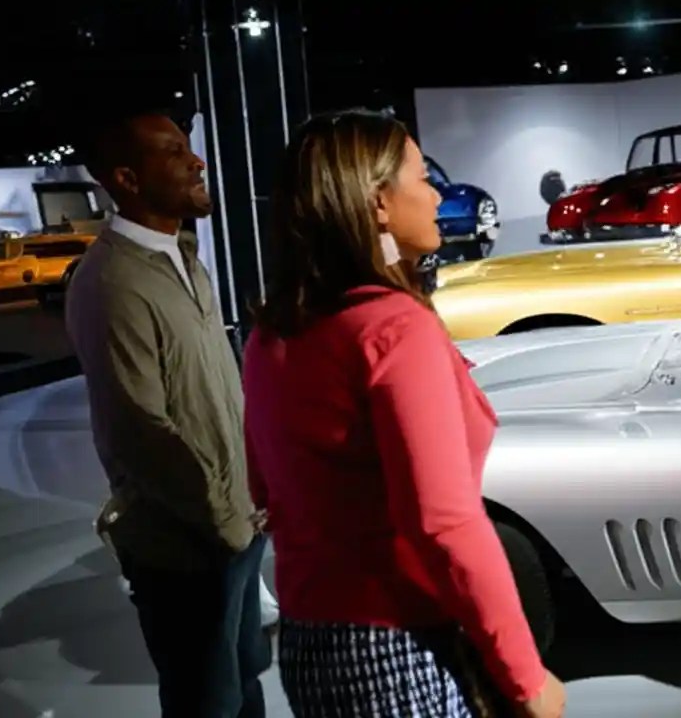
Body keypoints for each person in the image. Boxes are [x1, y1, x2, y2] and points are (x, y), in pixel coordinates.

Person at [241, 109, 567, 717]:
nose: (437, 194)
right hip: (399, 644)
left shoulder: (273, 333)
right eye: (422, 178)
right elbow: (446, 523)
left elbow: (264, 487)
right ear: (379, 203)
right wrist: (525, 677)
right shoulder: (395, 330)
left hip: (311, 642)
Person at [66, 107, 271, 717]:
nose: (197, 161)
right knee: (206, 701)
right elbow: (140, 431)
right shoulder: (111, 283)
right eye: (173, 152)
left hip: (236, 526)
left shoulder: (183, 256)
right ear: (126, 179)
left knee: (244, 686)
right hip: (186, 545)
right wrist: (227, 522)